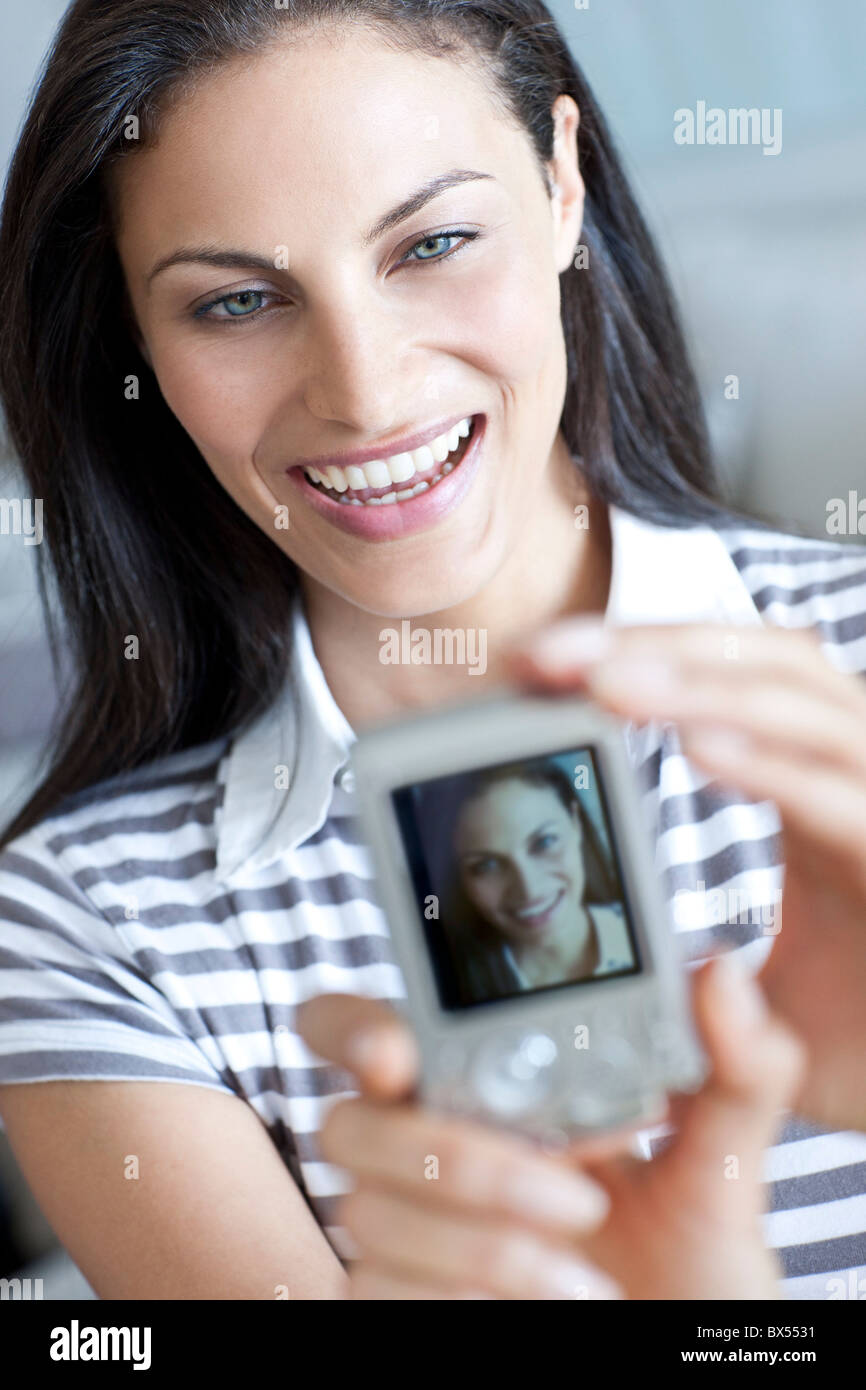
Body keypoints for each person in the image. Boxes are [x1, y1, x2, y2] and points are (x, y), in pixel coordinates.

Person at [0, 0, 863, 1300]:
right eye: (235, 301)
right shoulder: (81, 927)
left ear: (561, 183)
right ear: (134, 338)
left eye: (435, 241)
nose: (363, 388)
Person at [439, 760, 634, 1003]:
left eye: (544, 842)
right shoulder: (445, 990)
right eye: (487, 865)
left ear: (576, 823)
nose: (529, 889)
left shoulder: (652, 939)